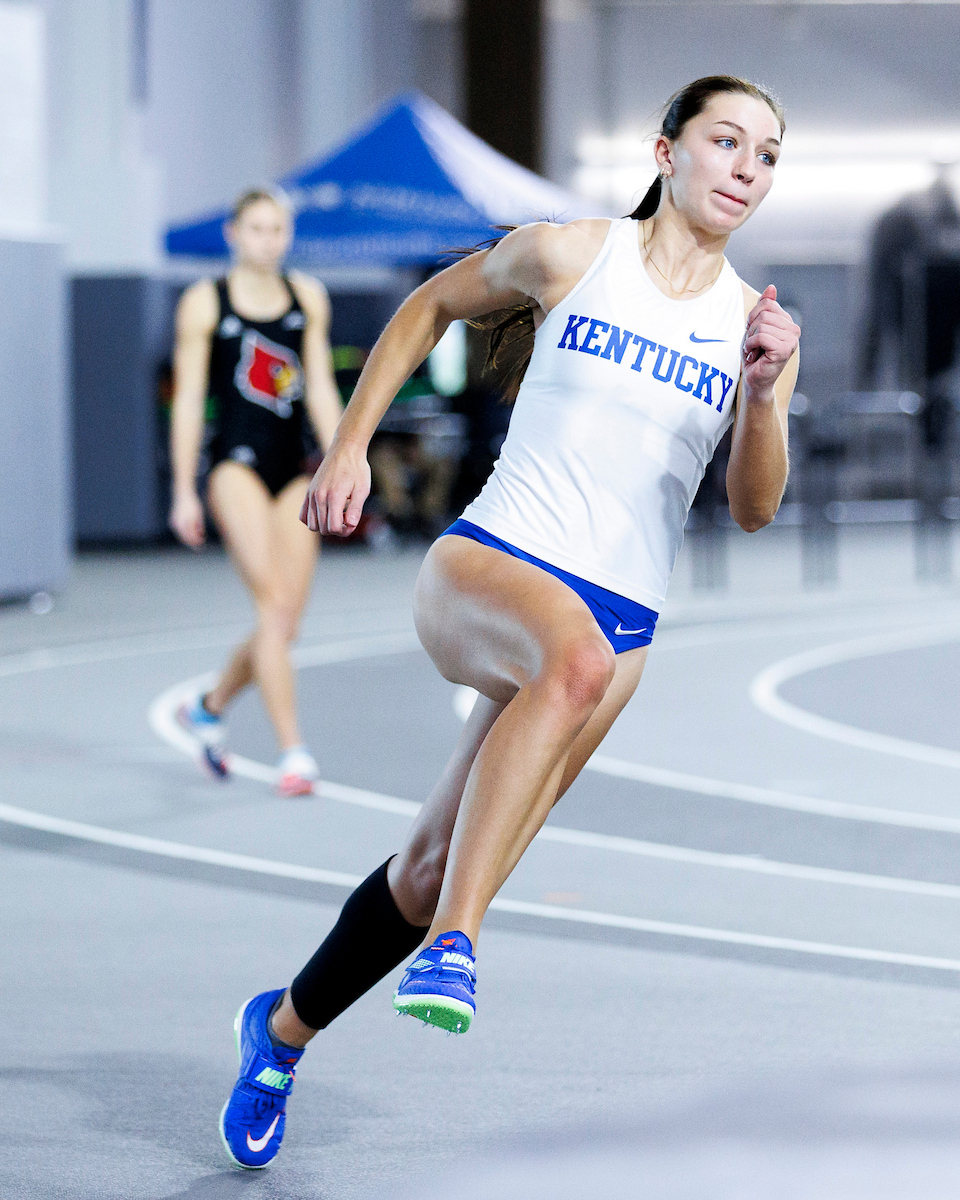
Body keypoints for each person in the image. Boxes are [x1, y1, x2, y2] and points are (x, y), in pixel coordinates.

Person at [218, 76, 800, 1169]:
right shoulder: (572, 254)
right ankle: (458, 950)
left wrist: (764, 394)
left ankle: (280, 1033)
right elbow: (427, 305)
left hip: (618, 627)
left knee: (431, 864)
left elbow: (756, 509)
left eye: (766, 157)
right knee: (566, 671)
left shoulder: (751, 328)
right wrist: (348, 443)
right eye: (726, 142)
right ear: (666, 151)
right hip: (494, 564)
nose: (745, 168)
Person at [169, 188, 342, 796]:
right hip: (233, 467)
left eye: (278, 229)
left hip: (291, 468)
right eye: (257, 228)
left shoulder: (307, 297)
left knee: (285, 622)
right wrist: (184, 491)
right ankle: (293, 752)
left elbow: (318, 385)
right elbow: (190, 399)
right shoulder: (205, 302)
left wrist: (345, 458)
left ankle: (209, 707)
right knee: (271, 609)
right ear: (234, 232)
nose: (268, 239)